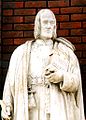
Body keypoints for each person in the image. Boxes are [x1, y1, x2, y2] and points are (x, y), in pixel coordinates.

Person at [1, 9, 85, 120]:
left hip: (57, 106)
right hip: (31, 107)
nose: (49, 26)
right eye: (45, 22)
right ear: (38, 25)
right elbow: (10, 83)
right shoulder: (21, 53)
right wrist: (7, 105)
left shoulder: (66, 52)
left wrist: (61, 77)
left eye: (52, 23)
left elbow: (76, 83)